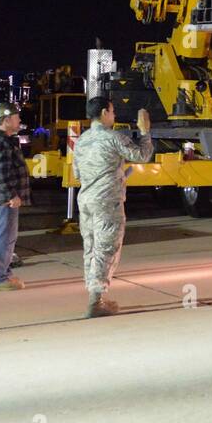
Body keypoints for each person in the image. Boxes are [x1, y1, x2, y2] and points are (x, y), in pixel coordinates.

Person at [71, 97, 155, 317]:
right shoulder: (113, 138)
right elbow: (142, 156)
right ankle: (96, 301)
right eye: (112, 111)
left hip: (86, 201)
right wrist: (145, 132)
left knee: (90, 248)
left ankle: (95, 295)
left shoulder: (81, 141)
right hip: (107, 201)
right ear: (104, 113)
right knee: (106, 249)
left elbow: (77, 173)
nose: (114, 115)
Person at [0, 102, 29, 290]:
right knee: (4, 236)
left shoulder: (8, 141)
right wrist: (12, 195)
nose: (19, 120)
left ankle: (4, 273)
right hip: (5, 199)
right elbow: (0, 173)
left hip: (7, 198)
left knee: (8, 237)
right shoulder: (0, 143)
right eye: (16, 117)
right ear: (6, 120)